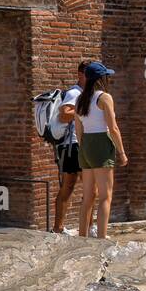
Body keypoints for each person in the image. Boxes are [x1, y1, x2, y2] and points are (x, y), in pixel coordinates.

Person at [75, 61, 128, 239]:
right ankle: (102, 238)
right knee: (106, 196)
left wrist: (84, 149)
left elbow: (78, 129)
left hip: (85, 145)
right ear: (101, 78)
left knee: (88, 196)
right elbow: (113, 128)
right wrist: (121, 152)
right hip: (100, 142)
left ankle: (82, 236)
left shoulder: (80, 99)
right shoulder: (104, 97)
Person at [51, 61, 88, 234]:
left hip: (76, 145)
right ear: (81, 75)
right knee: (85, 188)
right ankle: (83, 229)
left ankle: (62, 228)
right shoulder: (75, 93)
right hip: (73, 145)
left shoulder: (86, 93)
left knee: (73, 186)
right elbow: (65, 114)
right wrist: (84, 109)